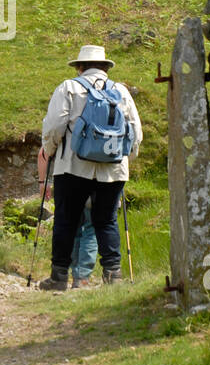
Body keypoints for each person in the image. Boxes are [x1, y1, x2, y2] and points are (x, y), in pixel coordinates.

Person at [37, 45, 142, 291]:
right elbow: (135, 132)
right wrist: (125, 158)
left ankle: (59, 277)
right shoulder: (121, 91)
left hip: (73, 166)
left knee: (66, 220)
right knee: (106, 221)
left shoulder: (69, 88)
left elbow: (54, 126)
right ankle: (113, 275)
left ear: (80, 67)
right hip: (113, 169)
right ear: (105, 67)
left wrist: (50, 151)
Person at [38, 149, 102, 288]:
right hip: (101, 178)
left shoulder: (68, 129)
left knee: (74, 229)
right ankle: (82, 277)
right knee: (91, 229)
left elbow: (43, 153)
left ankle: (72, 273)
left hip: (72, 177)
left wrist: (42, 182)